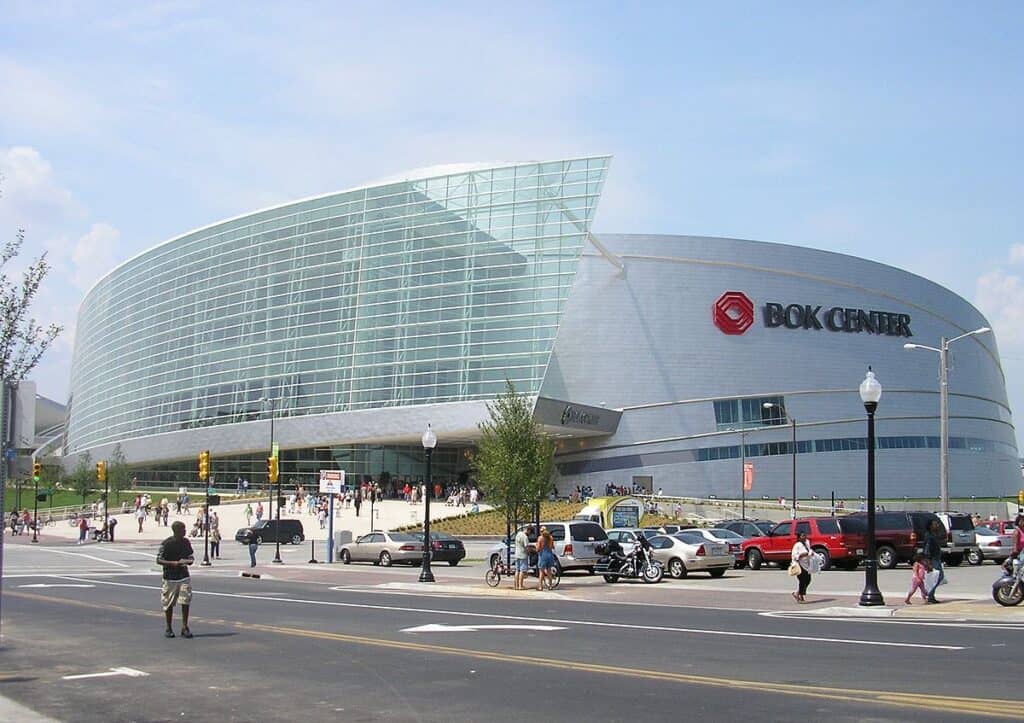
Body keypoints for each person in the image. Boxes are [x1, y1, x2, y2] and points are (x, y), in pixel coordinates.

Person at [157, 521, 194, 638]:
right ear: (176, 531)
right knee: (168, 603)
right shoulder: (167, 543)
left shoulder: (186, 542)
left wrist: (188, 561)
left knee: (185, 601)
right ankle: (169, 627)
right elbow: (159, 560)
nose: (185, 531)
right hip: (170, 577)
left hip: (183, 575)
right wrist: (172, 563)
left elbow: (190, 556)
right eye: (183, 529)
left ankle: (185, 627)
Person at [923, 520, 945, 603]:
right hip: (933, 559)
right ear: (930, 526)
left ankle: (930, 595)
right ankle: (930, 595)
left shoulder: (933, 535)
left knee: (938, 577)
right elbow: (927, 550)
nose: (937, 526)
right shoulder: (929, 536)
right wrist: (928, 562)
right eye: (935, 524)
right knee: (937, 577)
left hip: (937, 558)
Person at [791, 530, 812, 603]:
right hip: (799, 565)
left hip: (806, 565)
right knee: (802, 581)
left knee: (808, 580)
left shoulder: (807, 543)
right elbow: (794, 555)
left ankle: (797, 593)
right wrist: (802, 555)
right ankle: (800, 597)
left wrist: (811, 554)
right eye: (802, 536)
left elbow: (810, 551)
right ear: (799, 537)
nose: (804, 537)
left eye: (805, 535)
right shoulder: (797, 545)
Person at [514, 524, 534, 591]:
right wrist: (529, 552)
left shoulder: (518, 534)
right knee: (522, 571)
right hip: (523, 555)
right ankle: (520, 585)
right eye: (530, 532)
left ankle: (516, 585)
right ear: (528, 530)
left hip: (517, 554)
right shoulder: (525, 537)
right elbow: (526, 547)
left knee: (517, 570)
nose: (530, 534)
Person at [536, 526, 556, 591]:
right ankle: (550, 586)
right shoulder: (550, 538)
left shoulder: (540, 538)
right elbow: (553, 547)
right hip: (549, 555)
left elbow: (538, 548)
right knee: (549, 571)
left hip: (543, 555)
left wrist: (536, 548)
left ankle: (540, 586)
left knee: (541, 572)